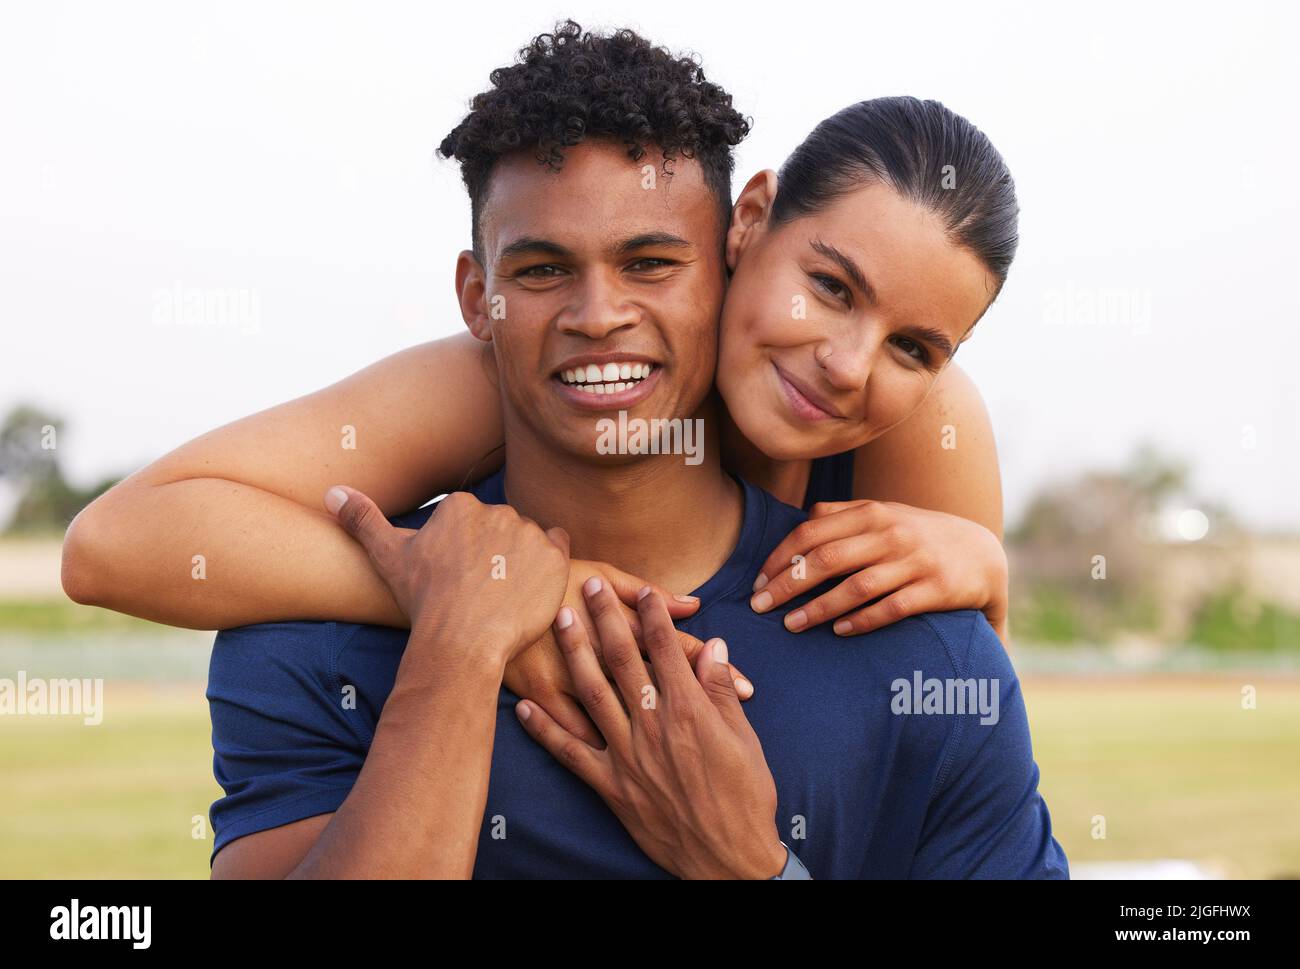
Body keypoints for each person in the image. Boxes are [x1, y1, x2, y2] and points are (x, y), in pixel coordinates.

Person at [202, 23, 1068, 879]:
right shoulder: (302, 644)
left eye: (652, 262)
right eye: (542, 271)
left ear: (725, 260)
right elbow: (123, 539)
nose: (599, 315)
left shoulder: (925, 650)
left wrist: (752, 870)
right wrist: (461, 632)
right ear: (478, 297)